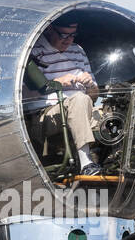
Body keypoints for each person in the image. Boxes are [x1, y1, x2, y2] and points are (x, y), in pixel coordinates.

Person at [24, 18, 102, 175]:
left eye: (73, 35)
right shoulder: (33, 51)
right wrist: (58, 82)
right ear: (49, 30)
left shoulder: (78, 51)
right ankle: (86, 163)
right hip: (46, 115)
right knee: (79, 99)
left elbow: (94, 96)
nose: (69, 40)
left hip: (82, 108)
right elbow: (24, 95)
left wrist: (90, 85)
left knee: (129, 105)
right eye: (63, 35)